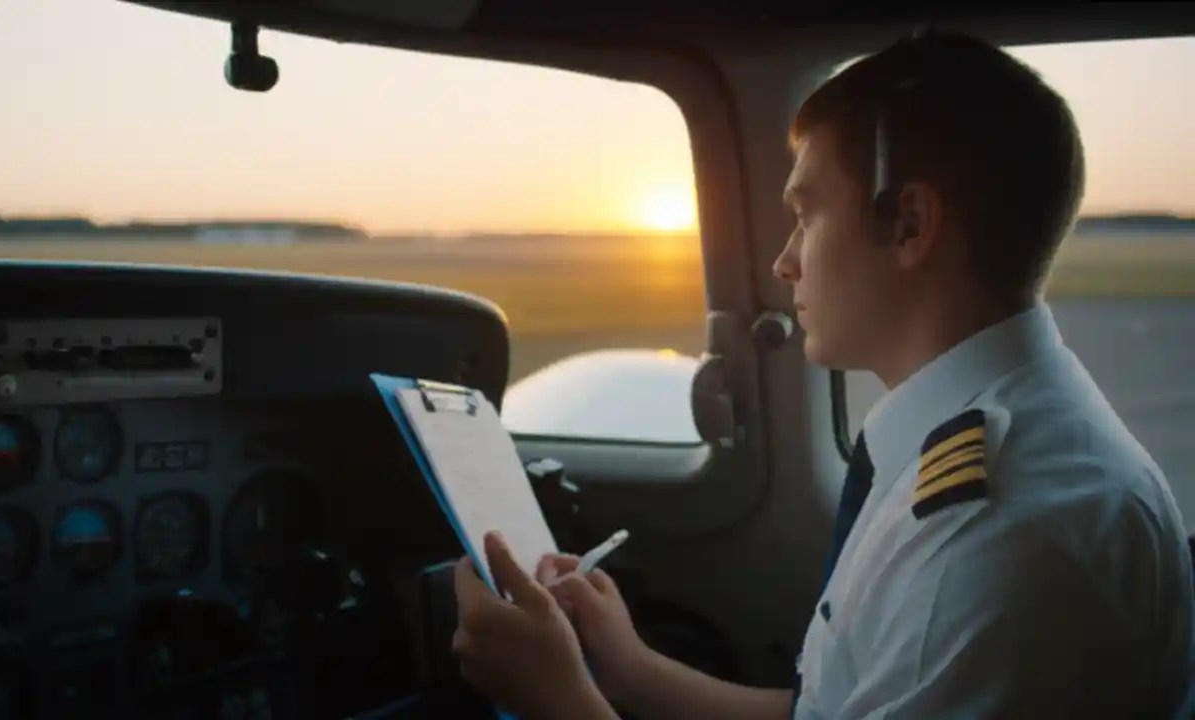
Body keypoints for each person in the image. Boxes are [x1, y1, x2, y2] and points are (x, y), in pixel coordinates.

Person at [452, 29, 1195, 719]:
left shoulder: (999, 539)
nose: (784, 261)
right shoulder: (964, 442)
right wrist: (627, 670)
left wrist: (559, 700)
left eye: (807, 216)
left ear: (909, 225)